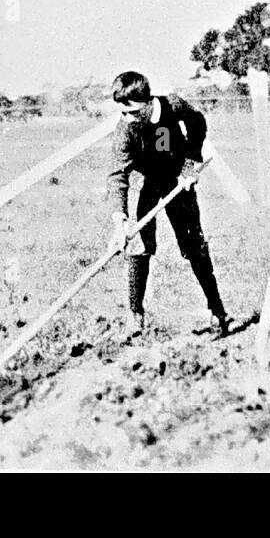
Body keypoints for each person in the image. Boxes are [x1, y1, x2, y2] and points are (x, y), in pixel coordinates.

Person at [107, 71, 229, 338]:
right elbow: (118, 174)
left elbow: (197, 122)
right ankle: (135, 317)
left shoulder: (172, 106)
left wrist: (190, 161)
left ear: (148, 101)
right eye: (123, 112)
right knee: (138, 246)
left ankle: (218, 312)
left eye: (134, 112)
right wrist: (120, 220)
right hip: (145, 180)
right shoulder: (125, 129)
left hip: (176, 178)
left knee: (193, 244)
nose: (127, 119)